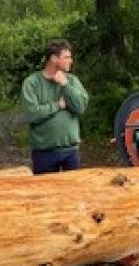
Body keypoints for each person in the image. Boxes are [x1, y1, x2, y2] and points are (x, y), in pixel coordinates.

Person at [21, 39, 89, 174]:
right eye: (67, 57)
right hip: (44, 153)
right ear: (53, 58)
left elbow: (81, 107)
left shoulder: (72, 81)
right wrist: (57, 105)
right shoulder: (32, 83)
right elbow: (32, 114)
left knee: (75, 194)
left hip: (71, 152)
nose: (71, 61)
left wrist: (65, 85)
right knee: (46, 194)